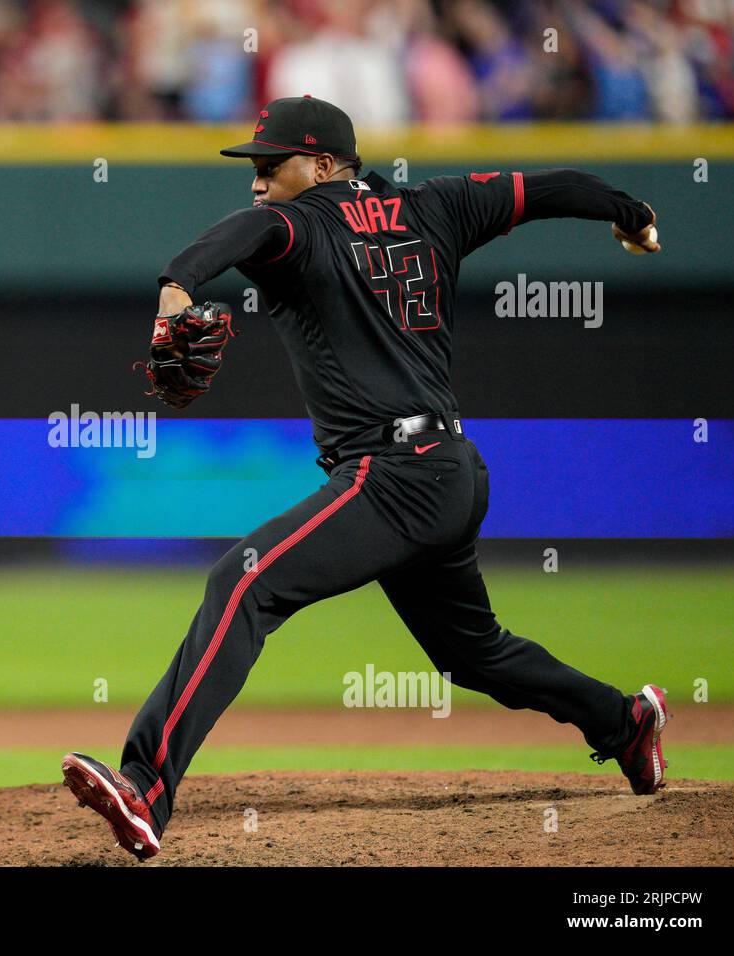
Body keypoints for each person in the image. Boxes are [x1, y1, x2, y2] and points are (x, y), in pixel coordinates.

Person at [61, 95, 669, 861]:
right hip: (451, 469)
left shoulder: (301, 221)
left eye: (269, 165)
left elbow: (239, 236)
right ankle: (625, 722)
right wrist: (629, 210)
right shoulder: (438, 205)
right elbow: (545, 188)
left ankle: (146, 787)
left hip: (394, 476)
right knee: (472, 651)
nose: (256, 183)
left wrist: (177, 288)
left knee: (243, 582)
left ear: (320, 166)